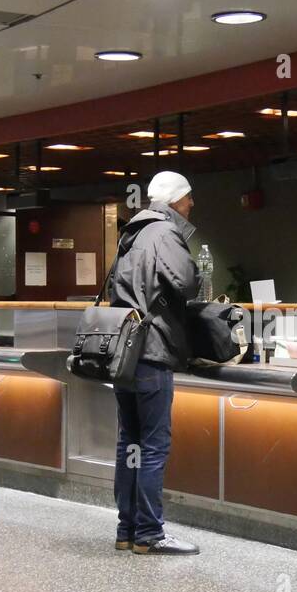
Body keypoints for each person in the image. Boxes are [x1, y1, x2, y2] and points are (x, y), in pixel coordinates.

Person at [106, 171, 200, 556]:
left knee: (130, 441)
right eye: (189, 198)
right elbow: (186, 283)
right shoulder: (164, 233)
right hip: (152, 351)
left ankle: (126, 529)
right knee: (154, 445)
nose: (192, 205)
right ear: (176, 200)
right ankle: (150, 533)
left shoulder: (132, 233)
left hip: (125, 355)